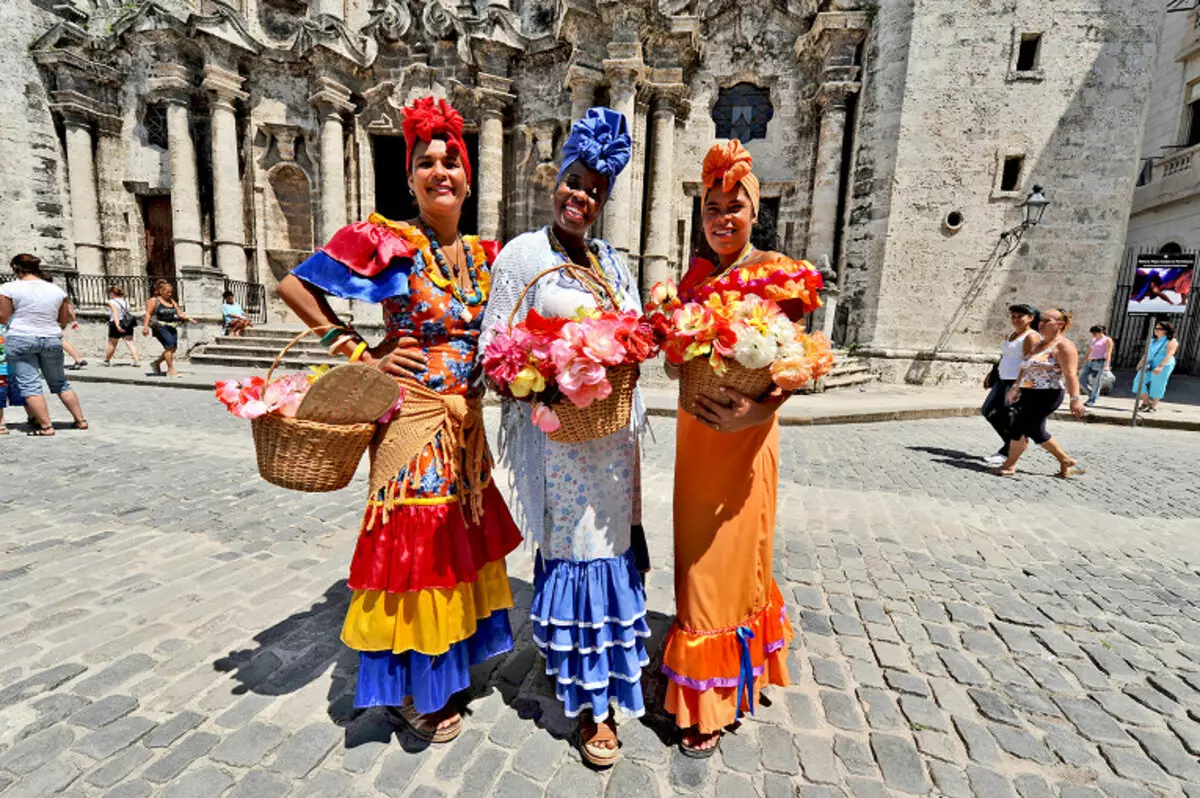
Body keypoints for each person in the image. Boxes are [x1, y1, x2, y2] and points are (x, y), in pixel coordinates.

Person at [276, 96, 521, 744]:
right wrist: (361, 352)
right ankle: (413, 689)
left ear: (468, 177)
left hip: (466, 430)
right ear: (411, 177)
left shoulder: (486, 255)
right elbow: (295, 286)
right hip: (411, 426)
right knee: (416, 559)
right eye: (426, 162)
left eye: (451, 161)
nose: (440, 171)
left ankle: (446, 671)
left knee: (456, 551)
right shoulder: (386, 239)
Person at [481, 107, 648, 767]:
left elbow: (634, 333)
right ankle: (593, 705)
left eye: (595, 190)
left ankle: (597, 670)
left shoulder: (612, 261)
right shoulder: (524, 255)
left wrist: (629, 346)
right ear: (558, 179)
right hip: (559, 444)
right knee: (580, 559)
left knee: (612, 554)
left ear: (605, 200)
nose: (581, 197)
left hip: (612, 441)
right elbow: (494, 350)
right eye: (574, 181)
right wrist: (535, 378)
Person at [660, 141, 821, 756]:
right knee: (695, 554)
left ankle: (708, 700)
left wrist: (761, 409)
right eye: (712, 208)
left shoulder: (779, 273)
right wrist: (678, 344)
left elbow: (803, 362)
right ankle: (723, 671)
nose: (723, 217)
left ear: (755, 212)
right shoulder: (695, 281)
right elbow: (679, 370)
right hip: (695, 436)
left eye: (735, 207)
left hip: (745, 440)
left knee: (723, 560)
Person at [0, 254, 88, 435]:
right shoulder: (56, 290)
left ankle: (46, 426)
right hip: (51, 338)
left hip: (21, 338)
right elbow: (62, 321)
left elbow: (4, 317)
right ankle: (80, 420)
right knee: (60, 383)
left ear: (16, 269)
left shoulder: (8, 288)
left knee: (29, 384)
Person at [996, 308, 1086, 477]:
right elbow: (1025, 367)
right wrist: (1016, 387)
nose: (1041, 323)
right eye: (1041, 320)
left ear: (1059, 324)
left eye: (1047, 321)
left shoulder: (1064, 346)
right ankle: (1011, 466)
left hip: (1048, 394)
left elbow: (1071, 374)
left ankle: (1064, 459)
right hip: (1028, 393)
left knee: (1034, 429)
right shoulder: (1039, 344)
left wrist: (1075, 399)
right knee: (1017, 428)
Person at [982, 304, 1041, 465]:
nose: (1015, 320)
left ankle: (1009, 449)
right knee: (988, 410)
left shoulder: (1031, 336)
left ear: (1030, 318)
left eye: (1019, 317)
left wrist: (1019, 386)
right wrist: (992, 373)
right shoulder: (1012, 335)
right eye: (1013, 316)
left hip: (1015, 381)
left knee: (1008, 414)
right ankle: (1013, 444)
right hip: (1002, 378)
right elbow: (1004, 357)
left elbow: (1029, 362)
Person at [143, 279, 194, 377]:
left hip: (171, 326)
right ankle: (171, 370)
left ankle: (156, 363)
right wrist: (145, 327)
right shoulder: (154, 301)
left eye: (171, 292)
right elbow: (148, 314)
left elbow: (179, 313)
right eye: (167, 292)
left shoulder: (172, 301)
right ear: (161, 291)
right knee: (169, 347)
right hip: (159, 327)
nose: (170, 294)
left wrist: (189, 318)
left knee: (173, 349)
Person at [1133, 319, 1178, 412]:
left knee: (1157, 384)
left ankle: (1153, 406)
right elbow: (1147, 353)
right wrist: (1140, 363)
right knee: (1138, 381)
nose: (1156, 330)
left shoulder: (1171, 341)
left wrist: (1161, 366)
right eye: (1155, 328)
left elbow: (1170, 354)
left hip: (1164, 365)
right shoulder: (1152, 340)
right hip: (1149, 364)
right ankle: (1146, 402)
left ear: (1165, 330)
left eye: (1159, 328)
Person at [104, 285, 141, 366]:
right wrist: (109, 320)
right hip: (127, 323)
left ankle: (107, 361)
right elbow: (123, 313)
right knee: (130, 342)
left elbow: (115, 313)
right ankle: (137, 360)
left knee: (112, 343)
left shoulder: (111, 302)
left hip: (116, 323)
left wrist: (117, 325)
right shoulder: (126, 302)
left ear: (112, 293)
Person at [1080, 324, 1113, 407]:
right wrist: (1080, 363)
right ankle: (1092, 394)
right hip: (1090, 362)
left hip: (1099, 363)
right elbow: (1089, 352)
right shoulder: (1094, 340)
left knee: (1096, 382)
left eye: (1094, 333)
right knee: (1081, 380)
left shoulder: (1107, 340)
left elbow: (1108, 352)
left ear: (1101, 332)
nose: (1093, 335)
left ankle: (1092, 400)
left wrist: (1107, 364)